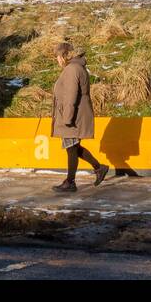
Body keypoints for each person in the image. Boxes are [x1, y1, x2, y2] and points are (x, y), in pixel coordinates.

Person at [50, 41, 109, 192]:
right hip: (76, 113)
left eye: (57, 56)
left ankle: (70, 182)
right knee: (74, 147)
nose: (57, 60)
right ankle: (99, 167)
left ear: (64, 56)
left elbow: (70, 96)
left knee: (71, 148)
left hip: (72, 115)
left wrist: (67, 119)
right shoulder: (77, 67)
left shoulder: (71, 69)